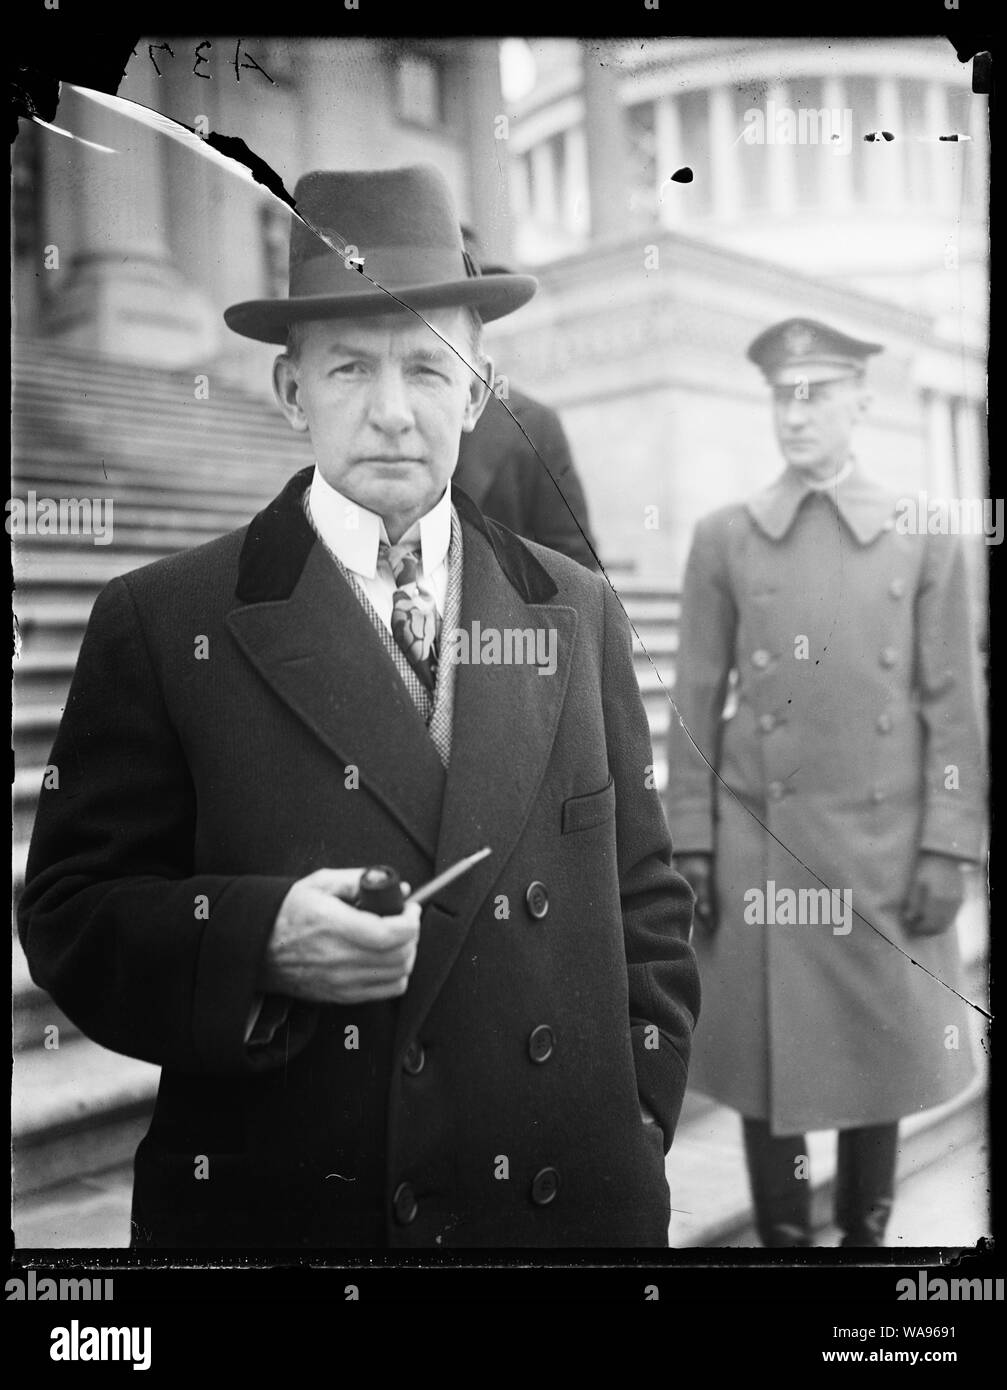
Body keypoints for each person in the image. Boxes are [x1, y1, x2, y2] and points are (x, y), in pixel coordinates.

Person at [18, 164, 699, 1249]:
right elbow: (70, 911)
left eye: (428, 367)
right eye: (349, 368)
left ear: (476, 391)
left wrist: (634, 1133)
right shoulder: (160, 620)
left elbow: (647, 901)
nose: (391, 412)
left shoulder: (575, 610)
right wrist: (255, 942)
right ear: (291, 391)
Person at [666, 317, 984, 1247]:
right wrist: (690, 840)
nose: (795, 417)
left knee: (875, 1053)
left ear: (861, 403)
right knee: (771, 1070)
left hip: (884, 848)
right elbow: (692, 700)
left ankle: (864, 1238)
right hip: (763, 844)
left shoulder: (924, 534)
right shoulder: (724, 537)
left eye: (815, 396)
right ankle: (782, 1241)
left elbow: (951, 706)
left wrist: (949, 843)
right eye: (780, 397)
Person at [454, 227, 599, 569]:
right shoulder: (384, 416)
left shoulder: (532, 424)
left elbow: (575, 565)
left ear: (480, 317)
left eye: (459, 308)